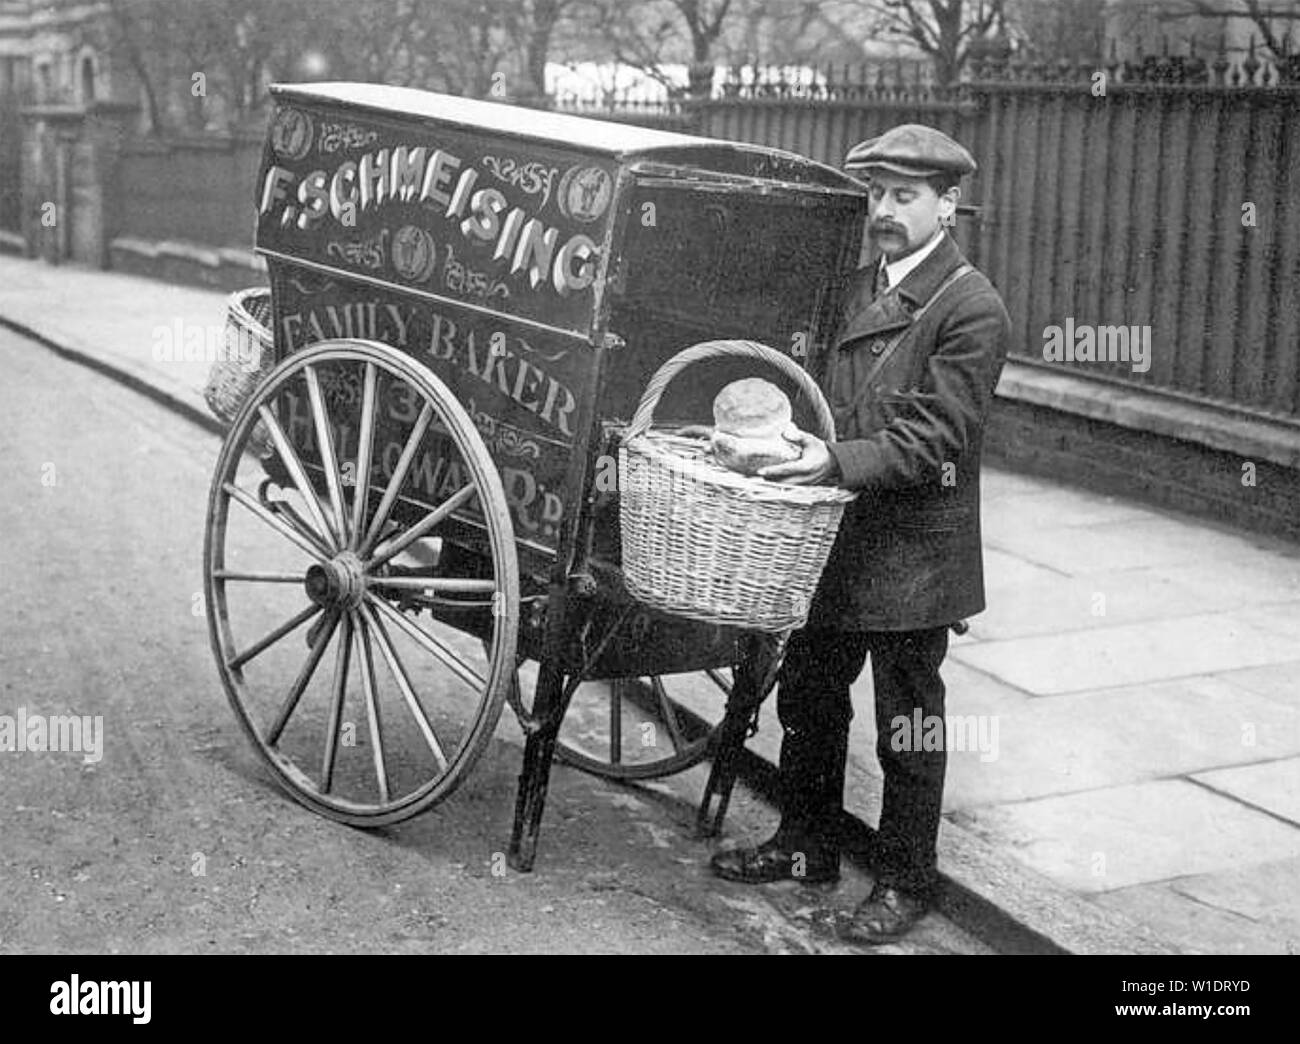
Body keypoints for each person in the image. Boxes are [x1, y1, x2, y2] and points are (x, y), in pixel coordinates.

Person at [709, 124, 1012, 946]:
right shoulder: (856, 285)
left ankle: (904, 880)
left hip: (915, 550)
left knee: (907, 724)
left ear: (947, 205)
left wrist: (834, 458)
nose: (884, 211)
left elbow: (935, 437)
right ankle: (804, 842)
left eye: (904, 196)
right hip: (836, 530)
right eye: (876, 194)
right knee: (810, 695)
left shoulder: (971, 307)